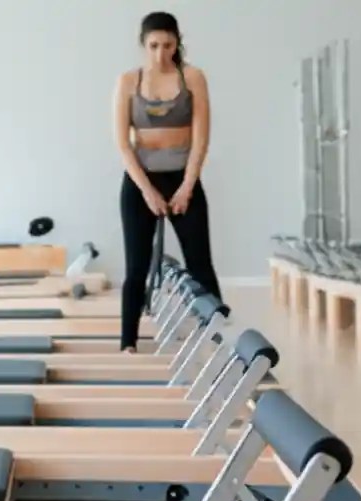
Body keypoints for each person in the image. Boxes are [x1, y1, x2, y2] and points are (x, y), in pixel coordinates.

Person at [112, 11, 223, 352]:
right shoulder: (129, 81)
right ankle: (128, 343)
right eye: (154, 46)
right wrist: (147, 191)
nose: (161, 53)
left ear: (178, 43)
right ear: (143, 45)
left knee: (200, 263)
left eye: (168, 45)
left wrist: (187, 186)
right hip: (140, 182)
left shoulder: (192, 77)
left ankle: (219, 338)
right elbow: (123, 144)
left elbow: (200, 139)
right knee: (136, 268)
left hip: (182, 178)